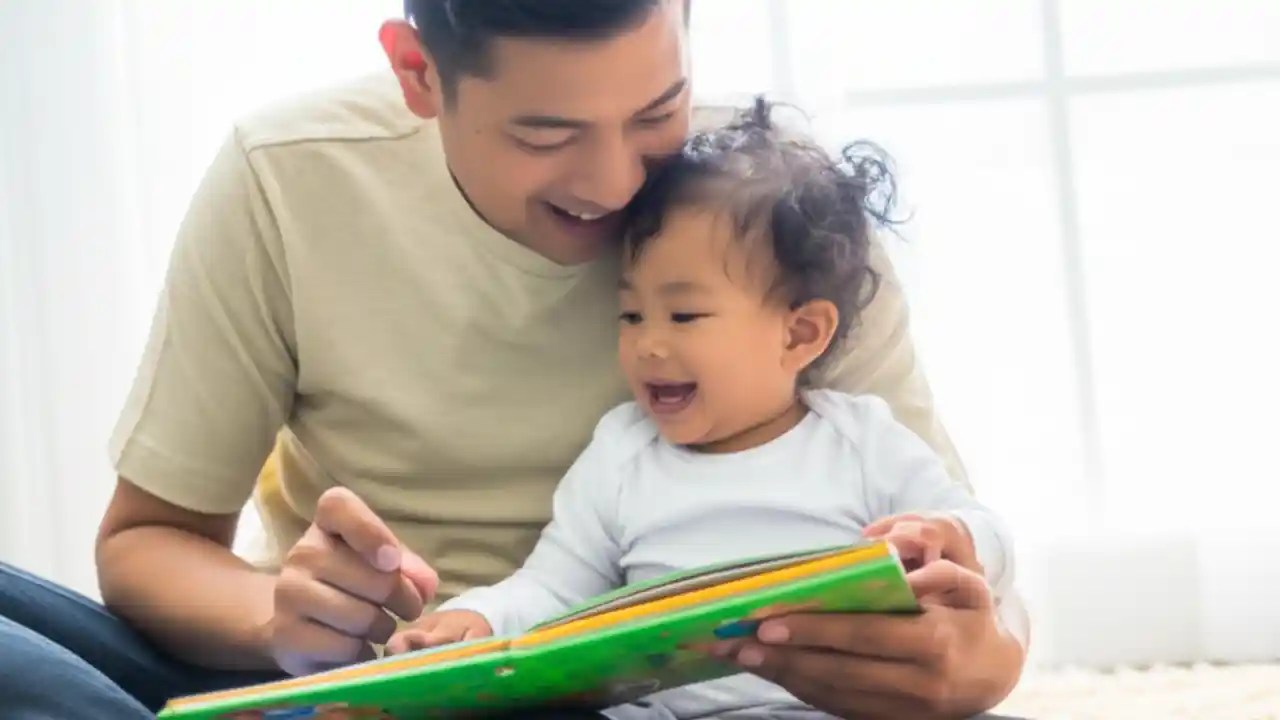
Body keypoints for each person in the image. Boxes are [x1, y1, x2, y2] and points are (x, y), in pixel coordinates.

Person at [0, 2, 1028, 719]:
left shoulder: (778, 210)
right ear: (417, 73)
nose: (619, 180)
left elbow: (955, 552)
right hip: (377, 681)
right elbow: (147, 544)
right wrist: (277, 620)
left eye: (656, 111)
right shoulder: (289, 179)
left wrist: (976, 666)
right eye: (546, 133)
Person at [381, 98, 1018, 720]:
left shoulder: (859, 441)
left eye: (684, 315)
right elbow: (552, 589)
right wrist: (479, 618)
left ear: (798, 335)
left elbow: (981, 531)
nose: (647, 344)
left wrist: (951, 536)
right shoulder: (623, 452)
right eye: (631, 314)